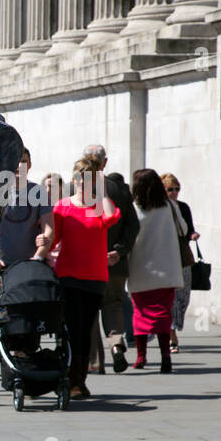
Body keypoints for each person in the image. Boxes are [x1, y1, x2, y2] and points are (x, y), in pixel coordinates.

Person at [36, 157, 119, 397]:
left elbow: (112, 217)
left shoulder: (100, 206)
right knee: (73, 328)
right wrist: (43, 245)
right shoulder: (62, 206)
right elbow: (55, 238)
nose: (85, 185)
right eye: (81, 181)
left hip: (95, 277)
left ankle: (79, 380)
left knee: (87, 329)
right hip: (68, 275)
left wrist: (101, 190)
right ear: (74, 181)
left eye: (90, 181)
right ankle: (71, 379)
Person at [82, 147, 139, 375]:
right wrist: (118, 251)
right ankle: (116, 344)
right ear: (105, 162)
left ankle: (95, 362)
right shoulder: (119, 189)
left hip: (87, 262)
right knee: (113, 304)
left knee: (90, 310)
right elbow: (133, 225)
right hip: (115, 263)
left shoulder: (79, 188)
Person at [125, 169, 184, 372]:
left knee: (140, 313)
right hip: (166, 271)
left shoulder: (133, 208)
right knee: (163, 314)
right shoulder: (169, 206)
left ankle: (141, 356)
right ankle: (166, 356)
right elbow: (183, 229)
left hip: (140, 270)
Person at [0, 149, 53, 268]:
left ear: (29, 165)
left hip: (28, 265)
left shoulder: (39, 192)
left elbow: (49, 230)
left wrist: (38, 257)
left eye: (24, 162)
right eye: (16, 161)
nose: (20, 166)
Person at [161, 173, 199, 353]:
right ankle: (171, 335)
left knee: (183, 297)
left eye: (177, 189)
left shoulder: (183, 207)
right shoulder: (159, 208)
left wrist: (193, 235)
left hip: (183, 256)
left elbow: (189, 229)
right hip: (166, 257)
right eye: (170, 189)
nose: (174, 192)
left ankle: (171, 329)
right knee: (172, 298)